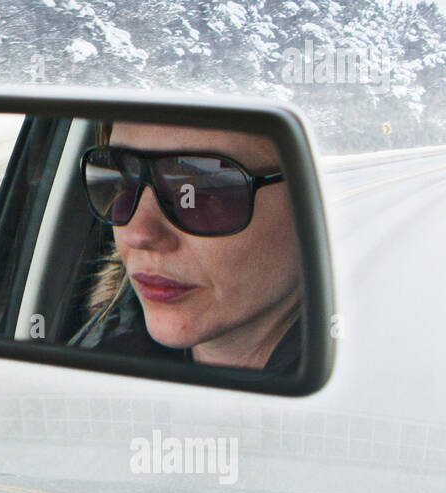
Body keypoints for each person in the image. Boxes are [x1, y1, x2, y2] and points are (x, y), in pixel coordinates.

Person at [70, 120, 303, 372]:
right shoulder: (86, 375)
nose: (139, 234)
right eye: (123, 182)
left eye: (205, 190)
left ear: (315, 202)